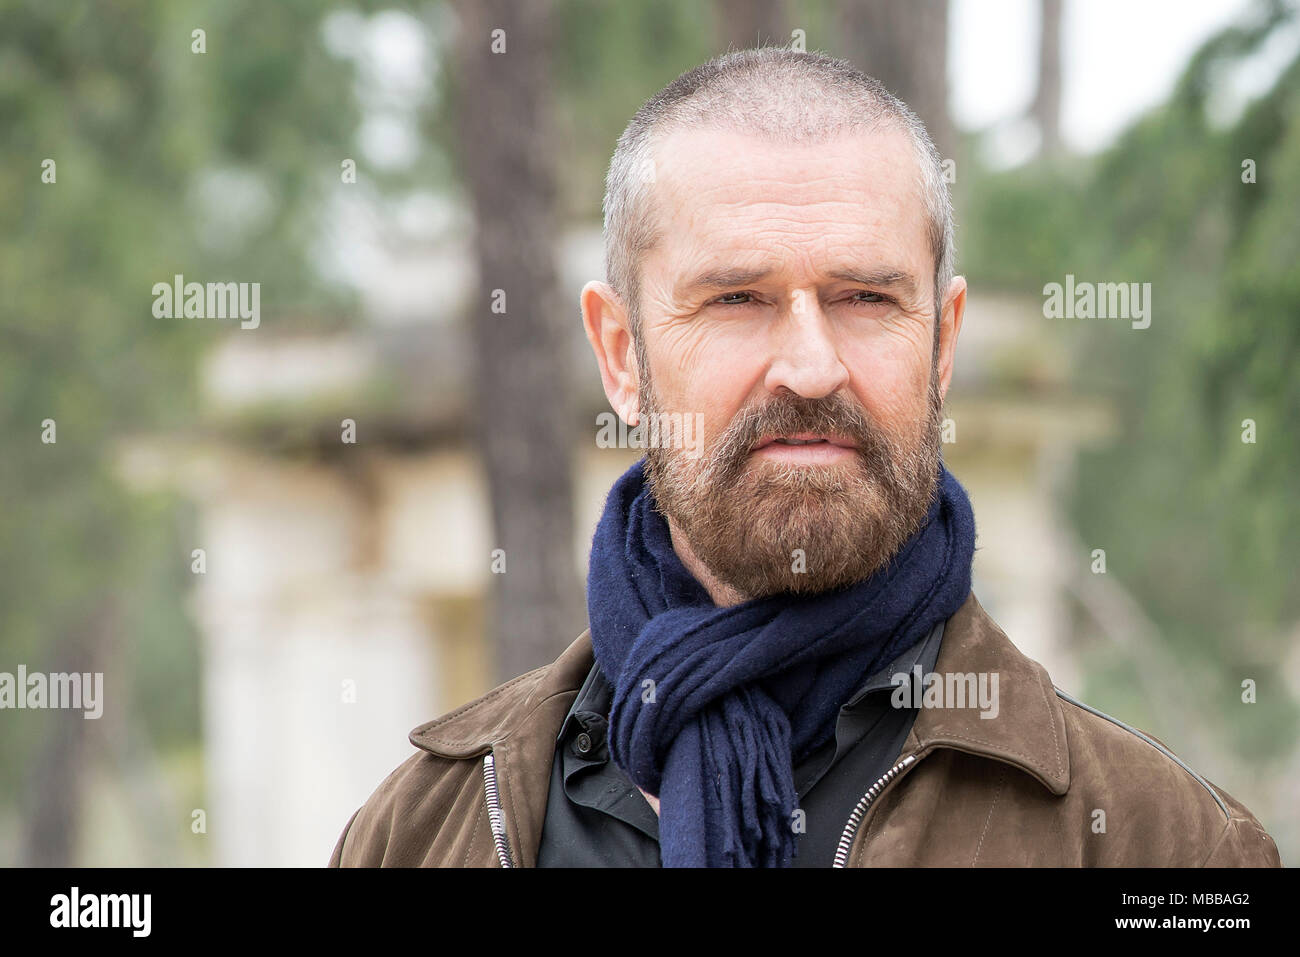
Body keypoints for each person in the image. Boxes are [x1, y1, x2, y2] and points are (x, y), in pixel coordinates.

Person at [329, 47, 1281, 868]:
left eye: (865, 297)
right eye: (736, 298)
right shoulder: (421, 833)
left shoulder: (1161, 843)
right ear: (622, 353)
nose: (813, 365)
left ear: (943, 343)